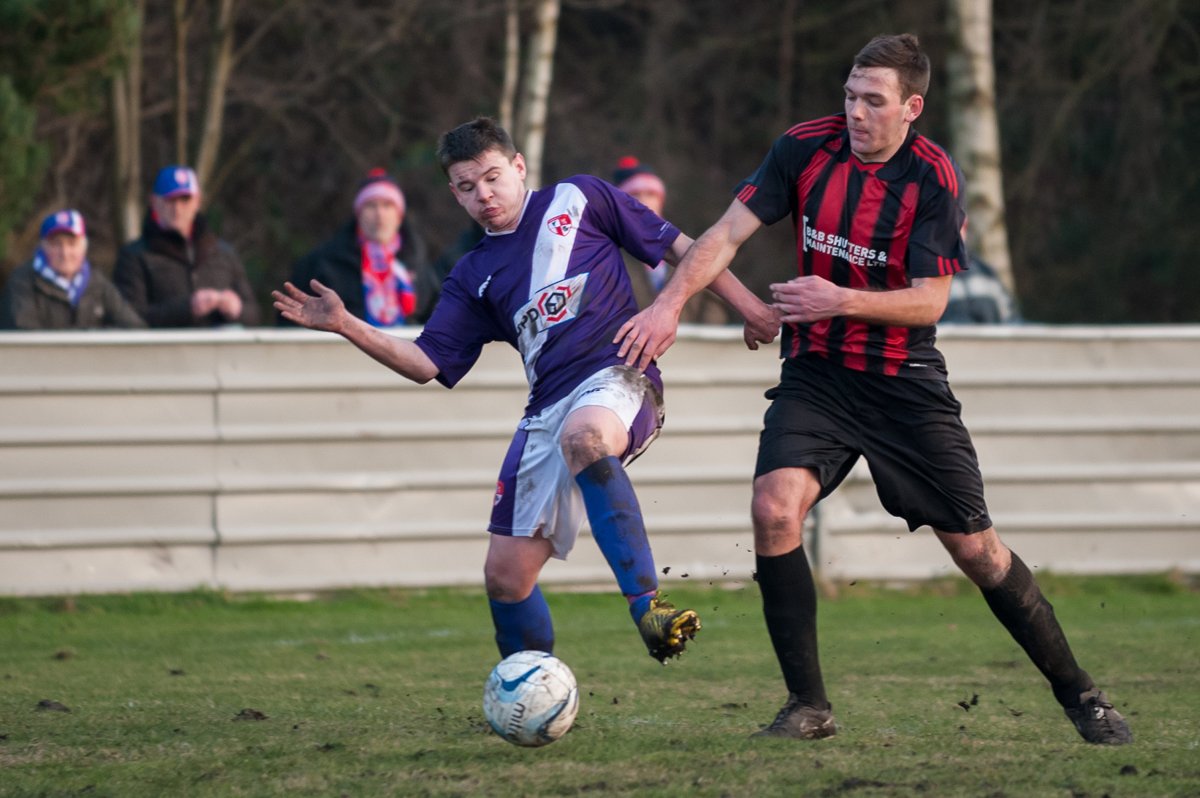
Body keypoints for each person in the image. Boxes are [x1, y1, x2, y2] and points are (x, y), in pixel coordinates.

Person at [616, 34, 1131, 744]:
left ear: (911, 108)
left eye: (873, 101)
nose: (856, 112)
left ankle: (1082, 695)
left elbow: (929, 302)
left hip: (903, 384)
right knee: (773, 507)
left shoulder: (934, 179)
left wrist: (838, 299)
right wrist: (669, 304)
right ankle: (808, 706)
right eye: (850, 96)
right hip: (817, 378)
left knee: (978, 553)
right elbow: (725, 233)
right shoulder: (803, 148)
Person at [275, 117, 778, 663]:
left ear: (518, 167)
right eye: (467, 188)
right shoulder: (471, 275)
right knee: (505, 578)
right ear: (454, 193)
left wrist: (749, 308)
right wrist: (349, 324)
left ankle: (647, 605)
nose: (484, 196)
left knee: (587, 438)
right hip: (545, 410)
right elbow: (426, 363)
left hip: (620, 375)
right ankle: (530, 693)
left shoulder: (581, 197)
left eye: (492, 178)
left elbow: (685, 248)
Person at [283, 169, 439, 327]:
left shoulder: (417, 264)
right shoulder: (324, 263)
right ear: (358, 213)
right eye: (371, 205)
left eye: (387, 205)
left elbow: (436, 320)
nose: (380, 214)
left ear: (399, 216)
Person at [113, 165, 259, 327]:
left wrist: (237, 309)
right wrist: (187, 308)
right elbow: (128, 319)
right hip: (165, 351)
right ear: (154, 202)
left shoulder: (223, 253)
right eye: (170, 200)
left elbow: (253, 314)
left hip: (217, 351)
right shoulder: (134, 256)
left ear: (197, 201)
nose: (178, 208)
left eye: (185, 200)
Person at [612, 156, 729, 324]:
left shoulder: (688, 249)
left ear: (661, 200)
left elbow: (712, 310)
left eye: (651, 194)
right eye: (634, 194)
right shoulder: (610, 253)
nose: (643, 201)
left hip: (689, 346)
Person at [0, 209, 145, 330]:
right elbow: (23, 333)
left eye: (72, 244)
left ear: (84, 246)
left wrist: (98, 338)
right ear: (43, 246)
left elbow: (134, 327)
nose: (65, 253)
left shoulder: (97, 283)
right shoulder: (22, 282)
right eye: (56, 244)